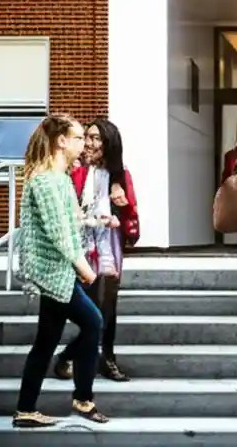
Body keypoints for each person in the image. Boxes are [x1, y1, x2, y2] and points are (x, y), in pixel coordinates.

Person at [12, 115, 107, 428]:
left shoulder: (61, 179)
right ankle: (83, 399)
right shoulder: (46, 180)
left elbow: (71, 222)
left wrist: (97, 221)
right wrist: (85, 268)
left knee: (46, 342)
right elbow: (58, 233)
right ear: (61, 141)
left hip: (58, 271)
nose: (84, 144)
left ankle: (26, 409)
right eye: (79, 138)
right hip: (53, 272)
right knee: (93, 322)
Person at [54, 119, 140, 382]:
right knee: (91, 312)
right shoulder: (76, 173)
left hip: (109, 250)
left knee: (108, 310)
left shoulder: (120, 175)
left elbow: (132, 216)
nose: (89, 144)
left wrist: (123, 206)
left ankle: (106, 359)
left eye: (95, 138)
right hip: (82, 249)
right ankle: (72, 356)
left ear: (109, 143)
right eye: (87, 138)